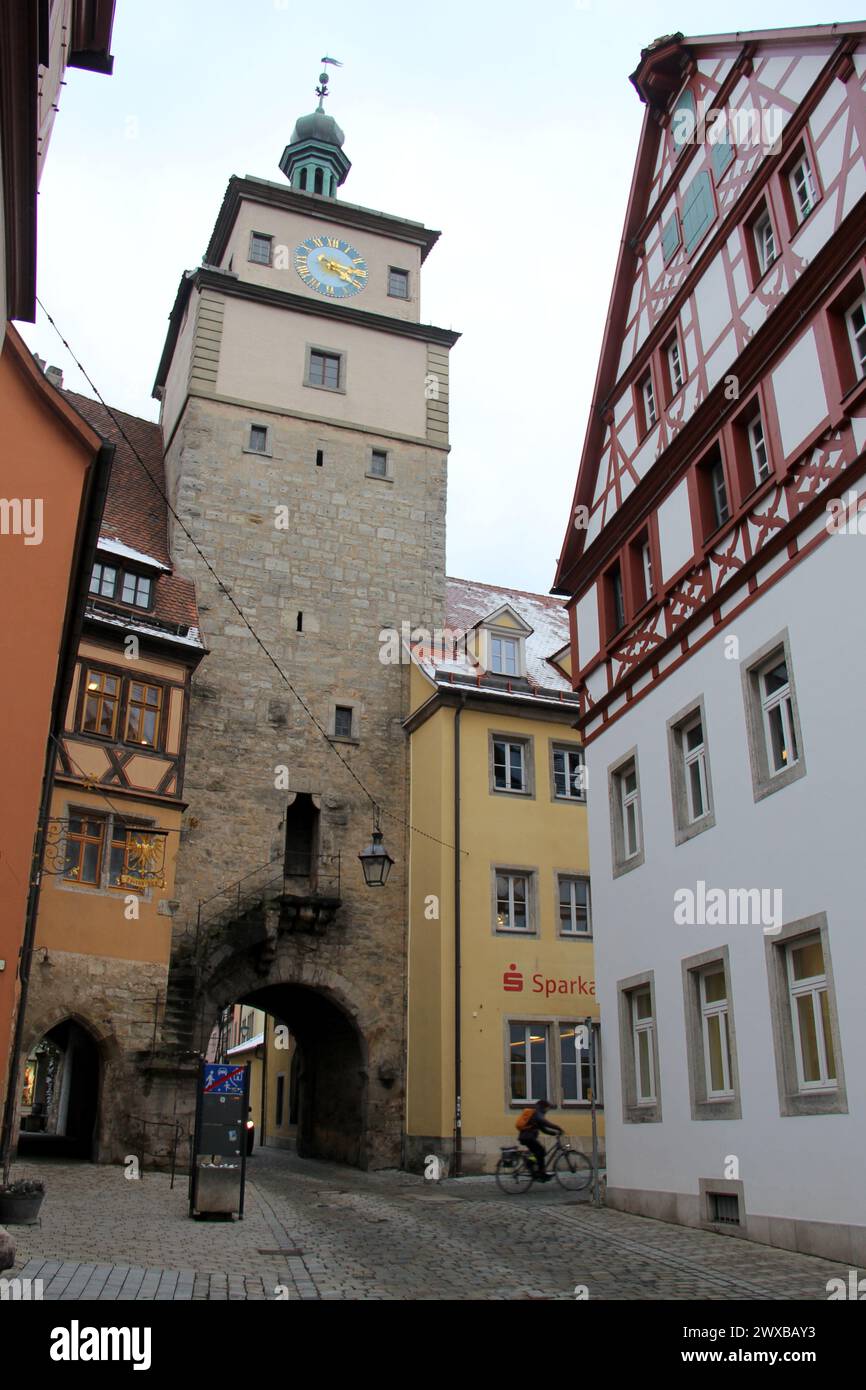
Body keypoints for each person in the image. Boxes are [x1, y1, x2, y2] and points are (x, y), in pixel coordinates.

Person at [519, 1099, 562, 1182]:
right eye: (547, 1108)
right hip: (528, 1137)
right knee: (541, 1151)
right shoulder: (537, 1114)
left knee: (539, 1152)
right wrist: (557, 1127)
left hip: (527, 1137)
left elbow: (543, 1129)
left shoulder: (536, 1114)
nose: (547, 1110)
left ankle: (536, 1170)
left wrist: (554, 1133)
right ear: (543, 1107)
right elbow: (544, 1122)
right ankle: (540, 1172)